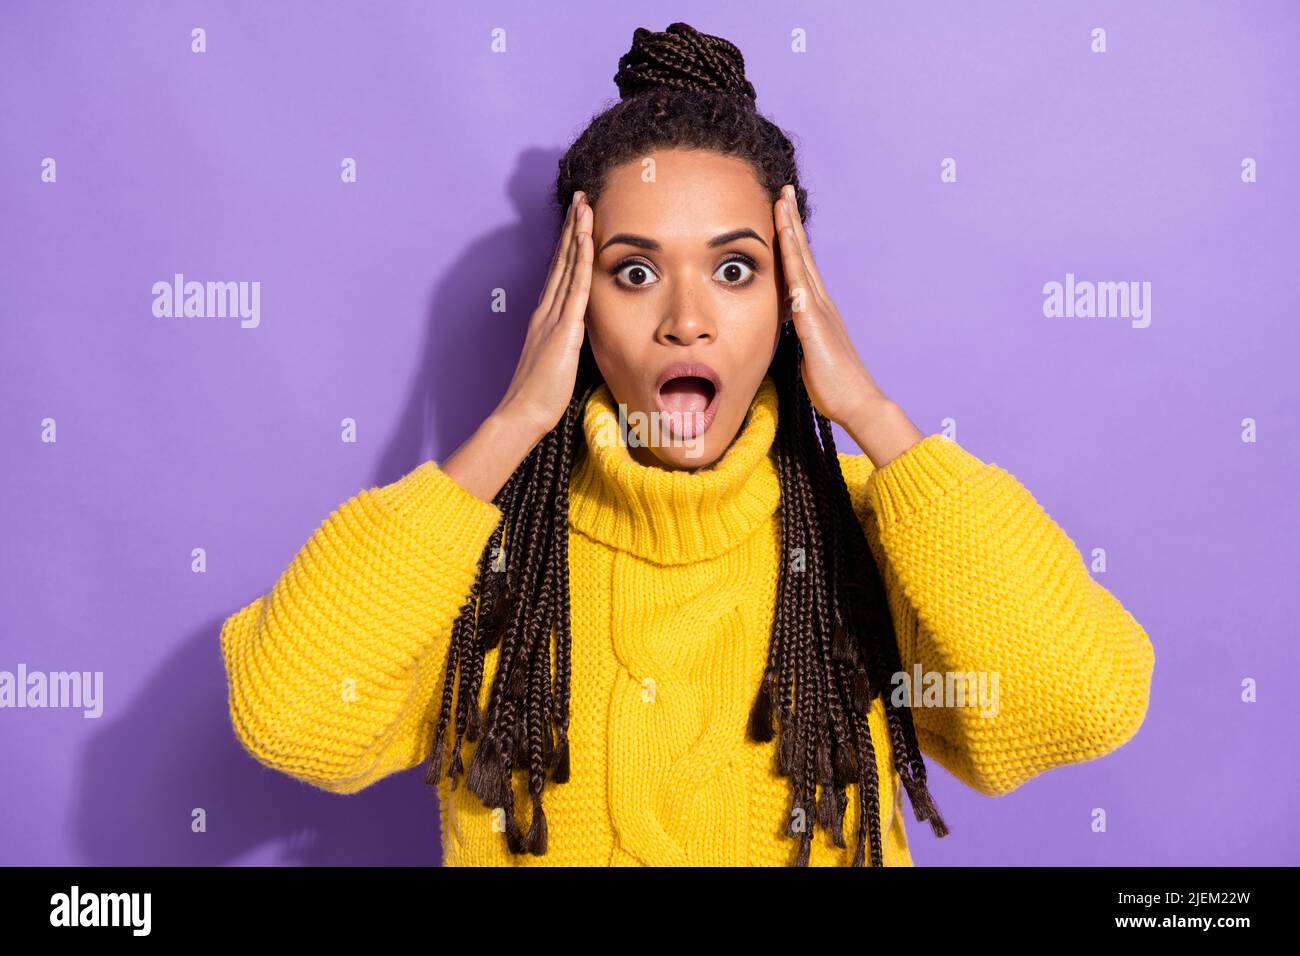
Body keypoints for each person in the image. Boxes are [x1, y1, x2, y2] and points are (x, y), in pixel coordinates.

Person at [219, 22, 1154, 867]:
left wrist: (871, 412)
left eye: (736, 269)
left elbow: (1081, 701)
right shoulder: (487, 555)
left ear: (790, 304)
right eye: (634, 271)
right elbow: (290, 715)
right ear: (575, 308)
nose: (688, 321)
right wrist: (512, 424)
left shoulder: (872, 534)